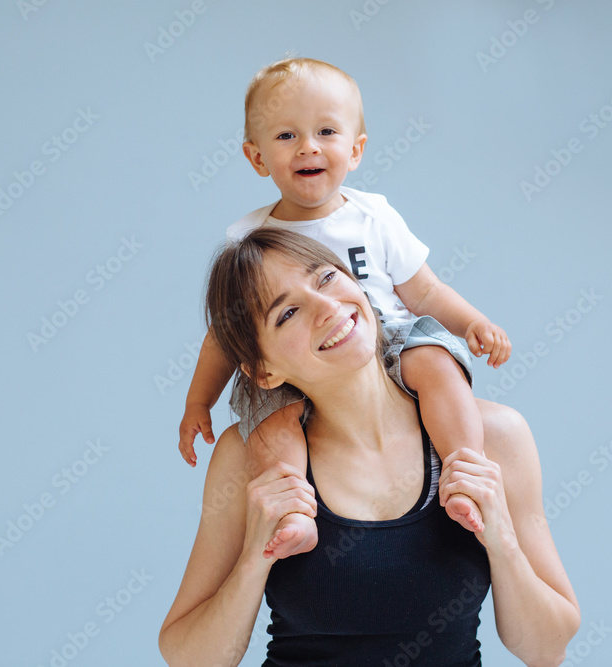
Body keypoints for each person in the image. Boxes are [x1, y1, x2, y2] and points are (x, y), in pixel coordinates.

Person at [160, 229, 579, 666]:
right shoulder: (250, 456)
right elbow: (190, 658)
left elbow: (547, 650)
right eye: (286, 314)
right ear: (263, 372)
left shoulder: (495, 437)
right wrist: (254, 559)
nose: (327, 307)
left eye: (325, 278)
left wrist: (503, 541)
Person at [178, 57, 512, 559]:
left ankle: (464, 470)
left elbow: (423, 290)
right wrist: (197, 401)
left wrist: (471, 322)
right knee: (272, 417)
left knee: (435, 361)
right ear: (256, 158)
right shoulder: (251, 240)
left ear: (355, 149)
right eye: (286, 136)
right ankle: (293, 513)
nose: (308, 146)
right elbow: (228, 334)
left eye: (326, 131)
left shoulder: (372, 216)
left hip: (388, 341)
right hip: (297, 364)